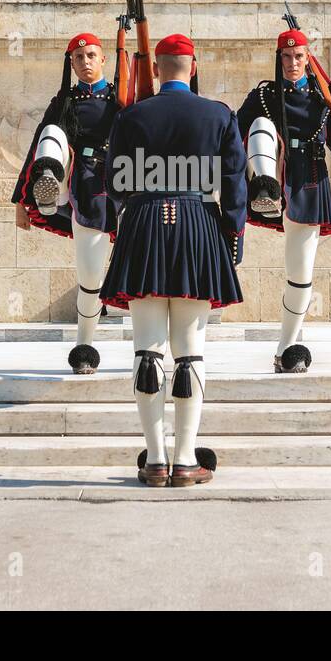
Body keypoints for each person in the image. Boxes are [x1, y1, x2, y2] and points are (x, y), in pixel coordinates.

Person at [100, 34, 247, 488]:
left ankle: (156, 460)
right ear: (192, 66)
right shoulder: (219, 114)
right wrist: (232, 232)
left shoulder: (131, 116)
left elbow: (114, 182)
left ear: (158, 69)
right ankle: (185, 460)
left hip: (144, 223)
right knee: (190, 352)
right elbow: (236, 184)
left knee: (147, 351)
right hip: (198, 222)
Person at [237, 29, 331, 373]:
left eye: (298, 57)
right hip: (275, 175)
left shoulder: (324, 100)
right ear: (278, 59)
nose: (292, 63)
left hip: (309, 180)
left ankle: (286, 347)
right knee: (261, 126)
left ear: (308, 60)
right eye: (286, 57)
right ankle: (265, 191)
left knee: (300, 275)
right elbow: (233, 133)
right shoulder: (265, 96)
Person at [12, 33, 120, 374]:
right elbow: (35, 144)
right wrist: (20, 199)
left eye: (91, 56)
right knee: (90, 278)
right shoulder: (65, 101)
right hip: (82, 184)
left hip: (122, 185)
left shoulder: (123, 97)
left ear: (104, 60)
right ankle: (85, 345)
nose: (85, 62)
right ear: (71, 64)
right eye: (78, 58)